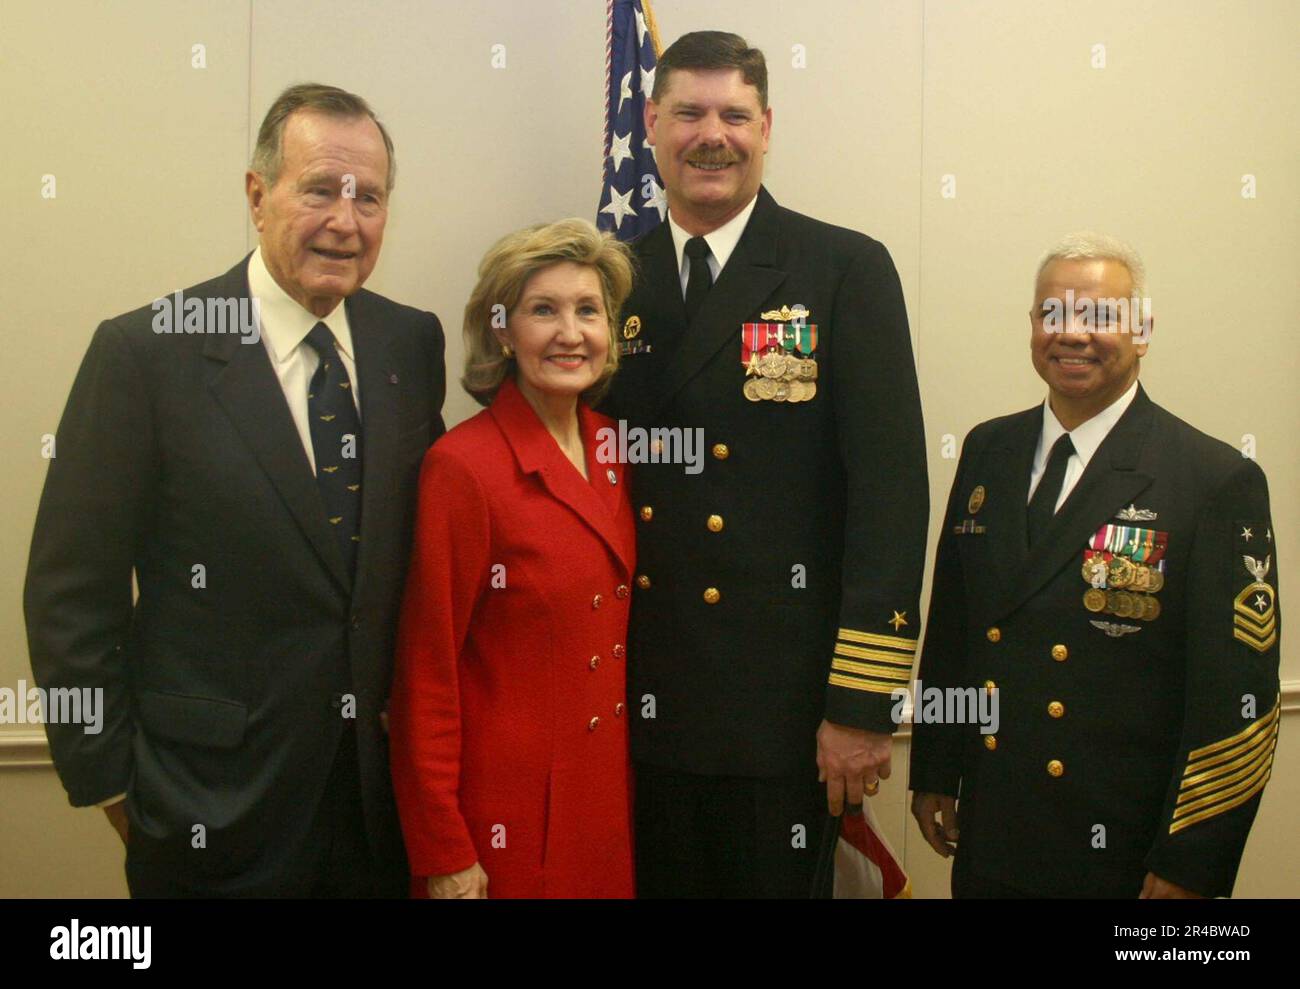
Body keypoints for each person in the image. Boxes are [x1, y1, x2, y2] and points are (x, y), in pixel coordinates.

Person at [23, 83, 446, 897]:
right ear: (258, 196)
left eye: (370, 197)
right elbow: (69, 595)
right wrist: (112, 784)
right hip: (203, 814)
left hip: (375, 815)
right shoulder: (146, 355)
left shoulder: (409, 341)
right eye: (320, 189)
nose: (345, 221)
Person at [603, 31, 929, 897]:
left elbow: (890, 499)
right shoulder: (605, 279)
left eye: (735, 114)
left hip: (780, 713)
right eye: (689, 113)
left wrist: (859, 706)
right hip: (635, 702)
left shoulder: (842, 268)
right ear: (652, 122)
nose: (713, 134)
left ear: (767, 126)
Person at [910, 233, 1281, 898]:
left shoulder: (1212, 477)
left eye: (1100, 316)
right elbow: (956, 632)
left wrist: (1191, 860)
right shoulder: (988, 450)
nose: (1072, 334)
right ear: (1032, 327)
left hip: (1125, 849)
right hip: (995, 831)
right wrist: (935, 768)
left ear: (1143, 330)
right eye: (1052, 314)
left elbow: (1238, 703)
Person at [388, 219, 637, 899]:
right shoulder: (463, 468)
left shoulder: (616, 448)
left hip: (607, 801)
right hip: (506, 819)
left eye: (589, 310)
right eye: (543, 310)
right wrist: (445, 848)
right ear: (502, 329)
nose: (571, 332)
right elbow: (426, 672)